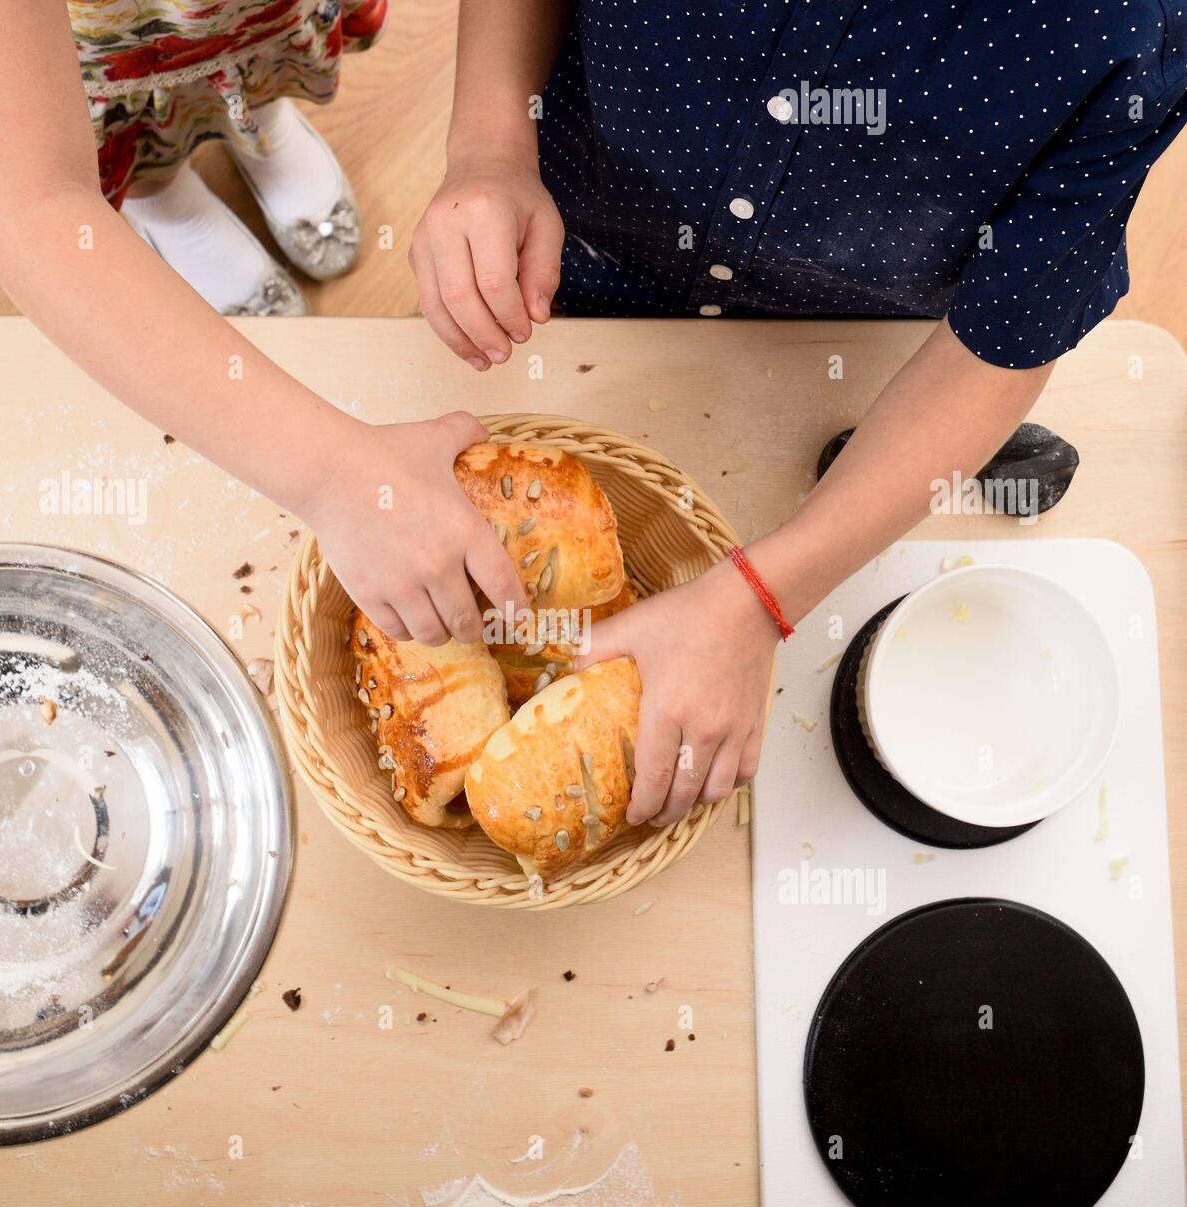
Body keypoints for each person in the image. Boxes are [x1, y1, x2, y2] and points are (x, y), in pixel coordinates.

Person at [412, 0, 1186, 828]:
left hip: (848, 349)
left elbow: (1000, 346)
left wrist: (759, 601)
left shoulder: (1131, 29)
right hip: (573, 249)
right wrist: (489, 150)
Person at [0, 0, 533, 654]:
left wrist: (490, 151)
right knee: (138, 114)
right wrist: (334, 477)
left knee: (255, 56)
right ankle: (162, 193)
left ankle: (263, 123)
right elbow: (33, 203)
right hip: (105, 42)